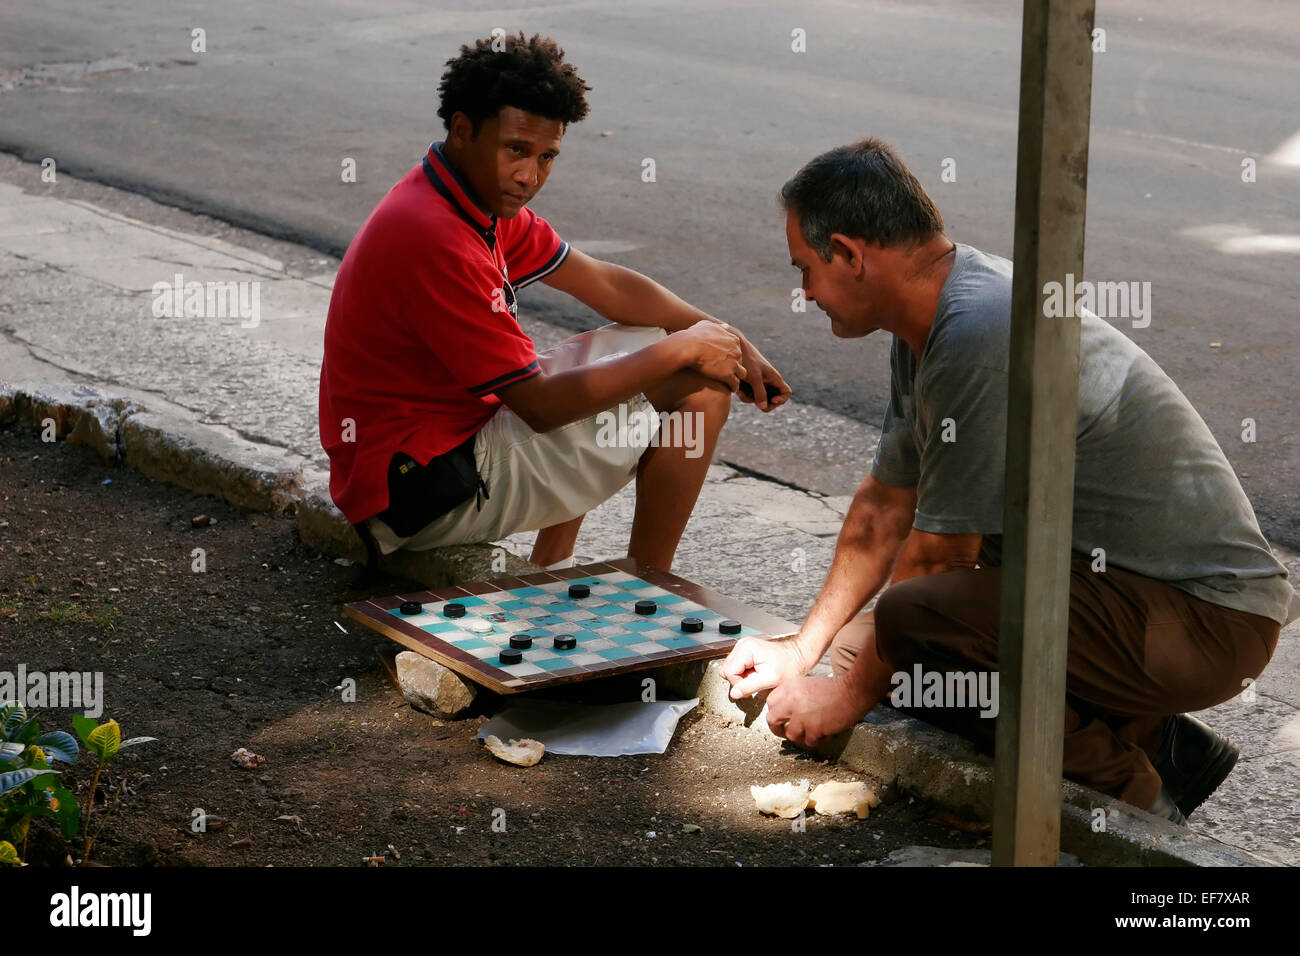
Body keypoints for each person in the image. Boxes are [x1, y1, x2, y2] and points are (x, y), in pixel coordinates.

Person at [721, 138, 1298, 824]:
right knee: (866, 649)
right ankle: (1163, 745)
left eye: (806, 269)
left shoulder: (977, 331)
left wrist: (843, 700)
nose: (806, 292)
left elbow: (941, 554)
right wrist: (801, 654)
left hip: (1206, 622)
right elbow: (883, 509)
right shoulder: (929, 326)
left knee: (911, 627)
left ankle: (1128, 796)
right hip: (1123, 600)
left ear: (849, 253)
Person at [318, 33, 788, 574]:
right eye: (516, 150)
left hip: (417, 460)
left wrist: (725, 335)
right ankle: (650, 585)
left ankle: (551, 563)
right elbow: (541, 406)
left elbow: (608, 285)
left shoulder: (468, 201)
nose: (530, 176)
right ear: (463, 129)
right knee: (699, 386)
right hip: (420, 496)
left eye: (547, 157)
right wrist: (687, 352)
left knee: (639, 342)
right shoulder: (436, 238)